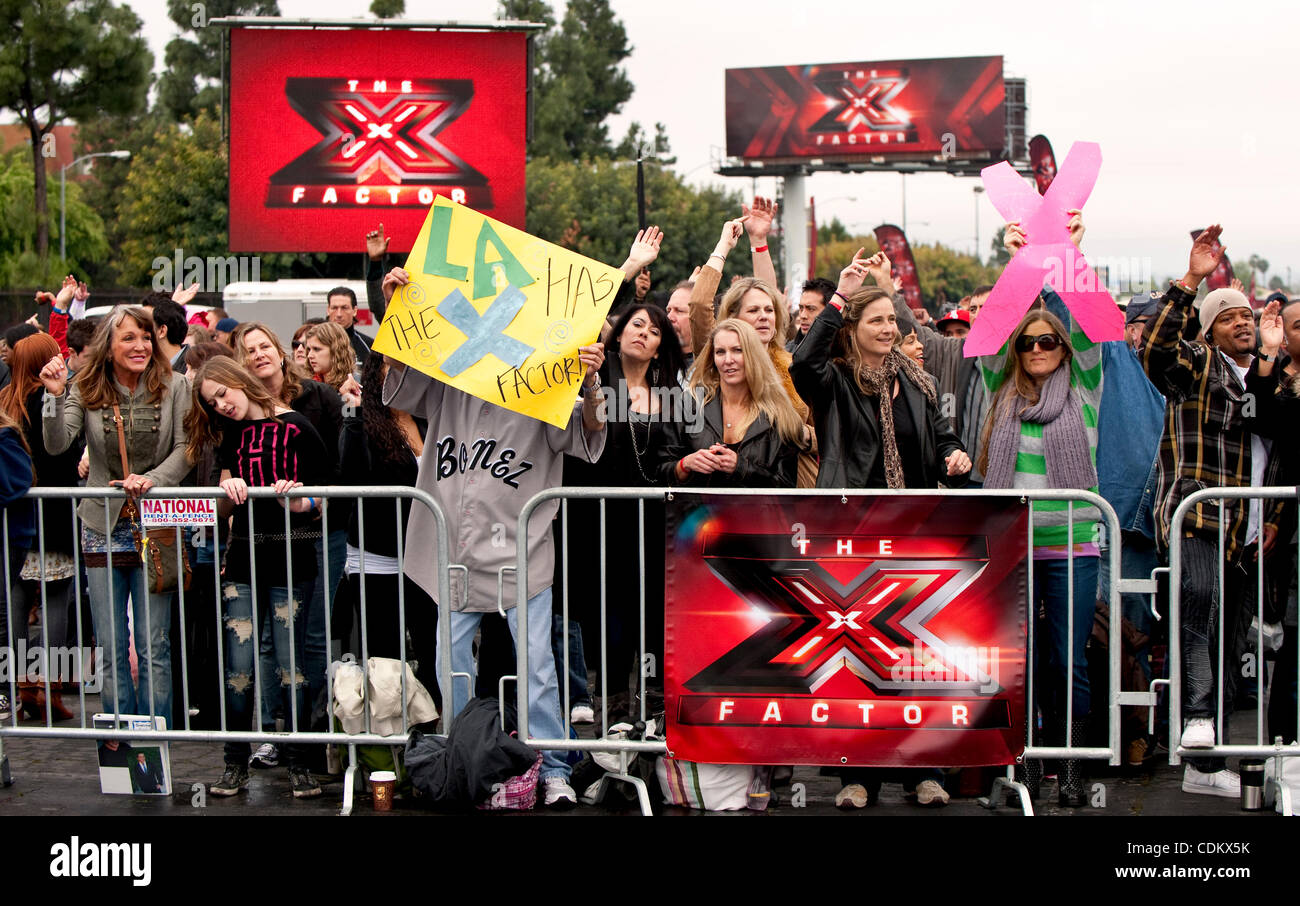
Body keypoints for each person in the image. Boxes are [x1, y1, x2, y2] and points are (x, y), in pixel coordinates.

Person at [379, 262, 607, 809]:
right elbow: (400, 387)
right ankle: (460, 756)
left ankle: (553, 764)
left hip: (520, 545)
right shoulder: (455, 372)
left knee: (536, 665)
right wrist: (399, 312)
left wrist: (592, 381)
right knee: (450, 661)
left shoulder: (543, 382)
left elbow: (587, 432)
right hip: (455, 540)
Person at [790, 262, 969, 808]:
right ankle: (857, 777)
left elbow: (939, 438)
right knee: (854, 658)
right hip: (849, 534)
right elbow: (801, 361)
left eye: (893, 319)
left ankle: (922, 770)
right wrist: (840, 297)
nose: (889, 328)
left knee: (913, 655)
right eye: (877, 321)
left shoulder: (918, 382)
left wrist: (952, 454)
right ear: (854, 329)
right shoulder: (834, 380)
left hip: (910, 533)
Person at [1140, 226, 1283, 798]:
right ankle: (1196, 720)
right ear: (1209, 330)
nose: (1241, 322)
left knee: (1229, 639)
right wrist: (1194, 278)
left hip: (1248, 529)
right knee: (1197, 605)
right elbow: (1154, 350)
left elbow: (1279, 449)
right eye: (1227, 317)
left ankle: (1204, 765)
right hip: (1198, 514)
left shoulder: (1268, 381)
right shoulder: (1197, 367)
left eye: (1247, 316)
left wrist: (1271, 519)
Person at [186, 356, 331, 799]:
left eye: (223, 394)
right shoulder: (230, 435)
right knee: (239, 667)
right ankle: (234, 764)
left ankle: (300, 764)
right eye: (213, 403)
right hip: (244, 558)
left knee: (292, 668)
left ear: (239, 381)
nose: (221, 406)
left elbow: (326, 493)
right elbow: (224, 506)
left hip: (293, 557)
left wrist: (300, 501)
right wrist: (226, 492)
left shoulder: (299, 426)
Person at [977, 304, 1103, 807]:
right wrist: (1021, 259)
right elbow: (989, 333)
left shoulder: (1085, 390)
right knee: (1019, 664)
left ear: (1063, 348)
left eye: (1047, 341)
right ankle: (1025, 767)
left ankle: (1071, 768)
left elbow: (1094, 334)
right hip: (1013, 549)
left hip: (1072, 546)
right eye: (1027, 342)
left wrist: (1067, 252)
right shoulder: (999, 390)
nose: (1035, 349)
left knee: (1068, 661)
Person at [40, 307, 192, 723]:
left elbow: (187, 449)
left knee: (154, 644)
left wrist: (153, 478)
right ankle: (119, 737)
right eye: (128, 338)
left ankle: (155, 739)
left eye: (145, 337)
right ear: (108, 346)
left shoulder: (176, 385)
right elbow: (56, 444)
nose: (140, 345)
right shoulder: (83, 387)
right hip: (100, 525)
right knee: (109, 642)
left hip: (157, 523)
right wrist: (53, 397)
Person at [230, 321, 345, 766]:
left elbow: (339, 470)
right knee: (264, 643)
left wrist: (313, 501)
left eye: (264, 346)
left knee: (311, 638)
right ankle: (273, 734)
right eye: (248, 350)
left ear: (281, 352)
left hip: (320, 533)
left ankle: (311, 741)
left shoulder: (319, 399)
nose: (258, 354)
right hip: (262, 539)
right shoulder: (238, 413)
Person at [336, 350, 438, 700]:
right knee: (385, 656)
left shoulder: (432, 417)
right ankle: (392, 740)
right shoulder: (363, 419)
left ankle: (436, 733)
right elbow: (351, 477)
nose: (404, 375)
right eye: (394, 367)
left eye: (411, 367)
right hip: (378, 553)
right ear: (378, 374)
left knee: (432, 647)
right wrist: (352, 413)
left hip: (427, 553)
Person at [688, 211, 817, 486]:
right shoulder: (718, 355)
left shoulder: (793, 363)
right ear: (733, 316)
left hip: (794, 490)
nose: (764, 316)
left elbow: (828, 438)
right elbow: (699, 305)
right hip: (724, 490)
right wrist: (724, 246)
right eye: (754, 310)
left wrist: (797, 434)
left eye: (769, 310)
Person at [0, 333, 83, 721]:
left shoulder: (5, 402)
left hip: (17, 519)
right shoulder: (48, 398)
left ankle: (16, 685)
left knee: (15, 603)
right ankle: (47, 687)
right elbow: (60, 454)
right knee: (55, 603)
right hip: (51, 514)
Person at [659, 319, 804, 489]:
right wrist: (685, 464)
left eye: (737, 350)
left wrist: (741, 467)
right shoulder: (690, 403)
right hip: (698, 514)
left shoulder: (780, 414)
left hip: (754, 514)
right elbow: (661, 470)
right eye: (720, 352)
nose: (728, 360)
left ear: (753, 355)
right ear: (712, 358)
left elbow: (786, 486)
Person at [0, 407, 34, 722]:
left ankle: (4, 692)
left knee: (0, 613)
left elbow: (19, 480)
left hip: (9, 538)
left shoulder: (6, 436)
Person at [304, 321, 360, 405]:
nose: (309, 355)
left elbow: (352, 416)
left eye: (316, 349)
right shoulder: (305, 386)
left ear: (335, 351)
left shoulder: (354, 383)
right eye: (309, 349)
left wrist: (350, 401)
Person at [326, 286, 373, 366]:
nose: (339, 314)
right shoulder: (315, 343)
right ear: (328, 310)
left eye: (344, 308)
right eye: (334, 308)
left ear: (354, 311)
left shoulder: (368, 345)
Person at [788, 277, 837, 352]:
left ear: (829, 311)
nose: (803, 316)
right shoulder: (788, 352)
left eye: (811, 309)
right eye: (801, 308)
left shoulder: (846, 352)